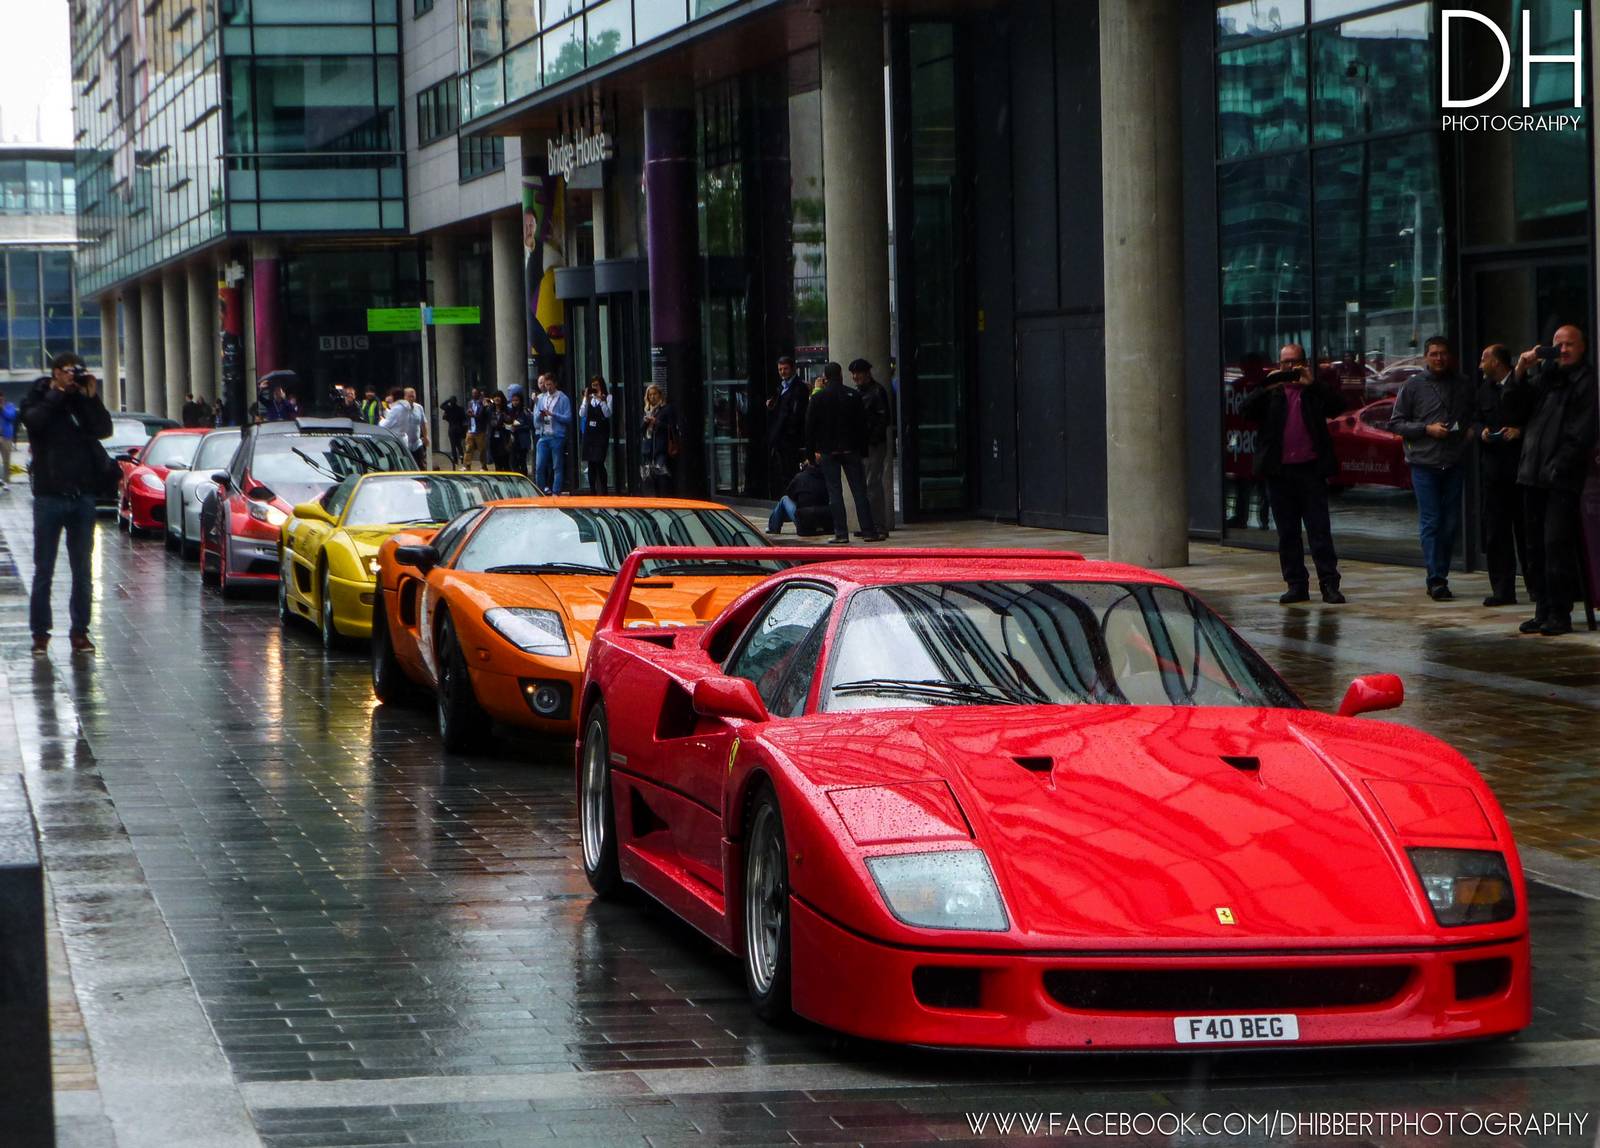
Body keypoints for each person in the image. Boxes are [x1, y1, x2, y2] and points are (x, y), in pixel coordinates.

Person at [1508, 325, 1598, 636]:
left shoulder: (1586, 382)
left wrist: (1559, 467)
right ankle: (1543, 608)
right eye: (1557, 344)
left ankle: (1560, 612)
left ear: (1582, 347)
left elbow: (1581, 433)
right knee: (1534, 547)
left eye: (1570, 344)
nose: (1563, 350)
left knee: (1555, 544)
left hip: (1560, 479)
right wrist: (1521, 370)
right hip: (1532, 475)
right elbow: (1514, 410)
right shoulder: (1547, 378)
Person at [1240, 343, 1346, 604]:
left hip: (1310, 470)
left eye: (1294, 362)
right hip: (1279, 472)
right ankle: (1296, 584)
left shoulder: (1312, 391)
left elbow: (1338, 406)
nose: (1289, 368)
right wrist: (1265, 387)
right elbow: (1245, 411)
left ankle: (1329, 584)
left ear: (1304, 363)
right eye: (1284, 362)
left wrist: (1312, 385)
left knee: (1319, 530)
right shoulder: (1272, 392)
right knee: (1287, 533)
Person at [22, 353, 113, 656]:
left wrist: (90, 398)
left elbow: (103, 429)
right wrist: (57, 394)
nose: (73, 377)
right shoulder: (38, 397)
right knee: (43, 569)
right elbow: (34, 423)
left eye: (76, 372)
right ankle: (40, 634)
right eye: (68, 372)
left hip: (82, 496)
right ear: (56, 373)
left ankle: (80, 632)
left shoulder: (81, 400)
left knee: (82, 571)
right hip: (48, 496)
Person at [1386, 336, 1474, 601]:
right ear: (1426, 357)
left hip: (1454, 462)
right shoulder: (1412, 386)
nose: (1439, 358)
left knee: (1449, 524)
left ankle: (1441, 573)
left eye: (1443, 353)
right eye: (1434, 354)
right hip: (1424, 464)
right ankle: (1436, 578)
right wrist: (1426, 429)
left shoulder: (1464, 384)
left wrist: (1471, 431)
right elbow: (1396, 423)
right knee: (1431, 521)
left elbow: (1475, 415)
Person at [1473, 344, 1531, 608]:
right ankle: (1502, 589)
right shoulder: (1484, 389)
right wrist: (1482, 431)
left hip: (1521, 470)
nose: (1480, 364)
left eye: (1484, 359)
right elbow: (1474, 420)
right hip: (1494, 472)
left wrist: (1520, 431)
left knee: (1527, 532)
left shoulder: (1524, 385)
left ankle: (1536, 587)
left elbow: (1535, 417)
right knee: (1496, 533)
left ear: (1497, 362)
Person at [806, 362, 881, 544]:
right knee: (859, 491)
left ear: (825, 377)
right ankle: (869, 530)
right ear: (840, 375)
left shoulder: (818, 398)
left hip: (828, 450)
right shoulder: (853, 395)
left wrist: (810, 453)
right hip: (851, 449)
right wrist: (862, 449)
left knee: (834, 493)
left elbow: (809, 427)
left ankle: (841, 533)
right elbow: (862, 426)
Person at [850, 359, 893, 536]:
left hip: (873, 444)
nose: (855, 377)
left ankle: (879, 525)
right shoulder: (860, 393)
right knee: (866, 485)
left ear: (867, 373)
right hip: (864, 444)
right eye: (853, 374)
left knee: (872, 484)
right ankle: (869, 525)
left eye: (858, 373)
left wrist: (872, 438)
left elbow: (884, 419)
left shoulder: (877, 392)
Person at [765, 355, 808, 495]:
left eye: (785, 369)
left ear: (792, 369)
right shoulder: (781, 388)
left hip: (790, 438)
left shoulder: (799, 388)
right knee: (782, 472)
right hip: (781, 437)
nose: (782, 372)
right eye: (780, 369)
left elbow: (795, 414)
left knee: (790, 472)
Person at [766, 458, 833, 536]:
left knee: (784, 500)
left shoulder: (800, 477)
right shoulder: (827, 478)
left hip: (805, 520)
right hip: (824, 520)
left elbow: (789, 494)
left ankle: (773, 528)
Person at [534, 372, 572, 493]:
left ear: (555, 384)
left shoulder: (563, 398)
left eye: (550, 384)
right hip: (544, 434)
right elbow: (536, 418)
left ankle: (556, 492)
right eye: (546, 385)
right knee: (539, 466)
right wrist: (540, 416)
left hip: (557, 436)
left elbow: (568, 418)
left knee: (557, 467)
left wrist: (553, 415)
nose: (548, 387)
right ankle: (541, 490)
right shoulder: (542, 398)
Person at [641, 384, 677, 496]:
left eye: (654, 394)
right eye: (650, 395)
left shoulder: (666, 409)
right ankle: (654, 497)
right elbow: (640, 430)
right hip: (648, 447)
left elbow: (671, 427)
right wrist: (646, 422)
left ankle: (665, 497)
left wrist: (657, 422)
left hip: (661, 447)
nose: (652, 397)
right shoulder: (647, 410)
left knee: (662, 473)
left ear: (660, 395)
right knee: (650, 476)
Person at [580, 375, 613, 494]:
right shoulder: (590, 399)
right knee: (591, 462)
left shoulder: (607, 397)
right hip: (590, 433)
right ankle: (592, 490)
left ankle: (604, 490)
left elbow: (607, 414)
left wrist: (601, 400)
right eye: (593, 386)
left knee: (599, 461)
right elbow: (582, 413)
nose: (595, 388)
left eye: (597, 385)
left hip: (601, 433)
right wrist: (586, 399)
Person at [504, 389, 532, 475]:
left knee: (522, 461)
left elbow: (529, 425)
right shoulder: (509, 411)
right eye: (513, 400)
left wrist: (518, 427)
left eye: (516, 400)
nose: (515, 402)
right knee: (512, 461)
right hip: (513, 440)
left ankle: (524, 477)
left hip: (522, 440)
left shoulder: (525, 411)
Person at [462, 386, 491, 470]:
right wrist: (468, 414)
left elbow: (482, 416)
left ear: (479, 394)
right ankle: (467, 465)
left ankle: (483, 465)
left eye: (475, 393)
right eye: (473, 393)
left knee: (481, 449)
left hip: (480, 430)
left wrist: (473, 415)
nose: (474, 394)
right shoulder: (470, 403)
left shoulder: (482, 403)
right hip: (471, 429)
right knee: (468, 448)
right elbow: (467, 414)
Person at [439, 395, 467, 468]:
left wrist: (448, 400)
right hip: (459, 428)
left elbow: (441, 406)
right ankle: (462, 458)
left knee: (453, 445)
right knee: (459, 445)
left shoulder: (448, 408)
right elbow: (464, 418)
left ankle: (455, 460)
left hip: (452, 427)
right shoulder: (460, 409)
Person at [0, 391, 18, 490]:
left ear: (3, 397)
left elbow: (11, 417)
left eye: (1, 397)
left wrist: (2, 408)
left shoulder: (9, 406)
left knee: (6, 460)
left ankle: (7, 481)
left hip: (6, 436)